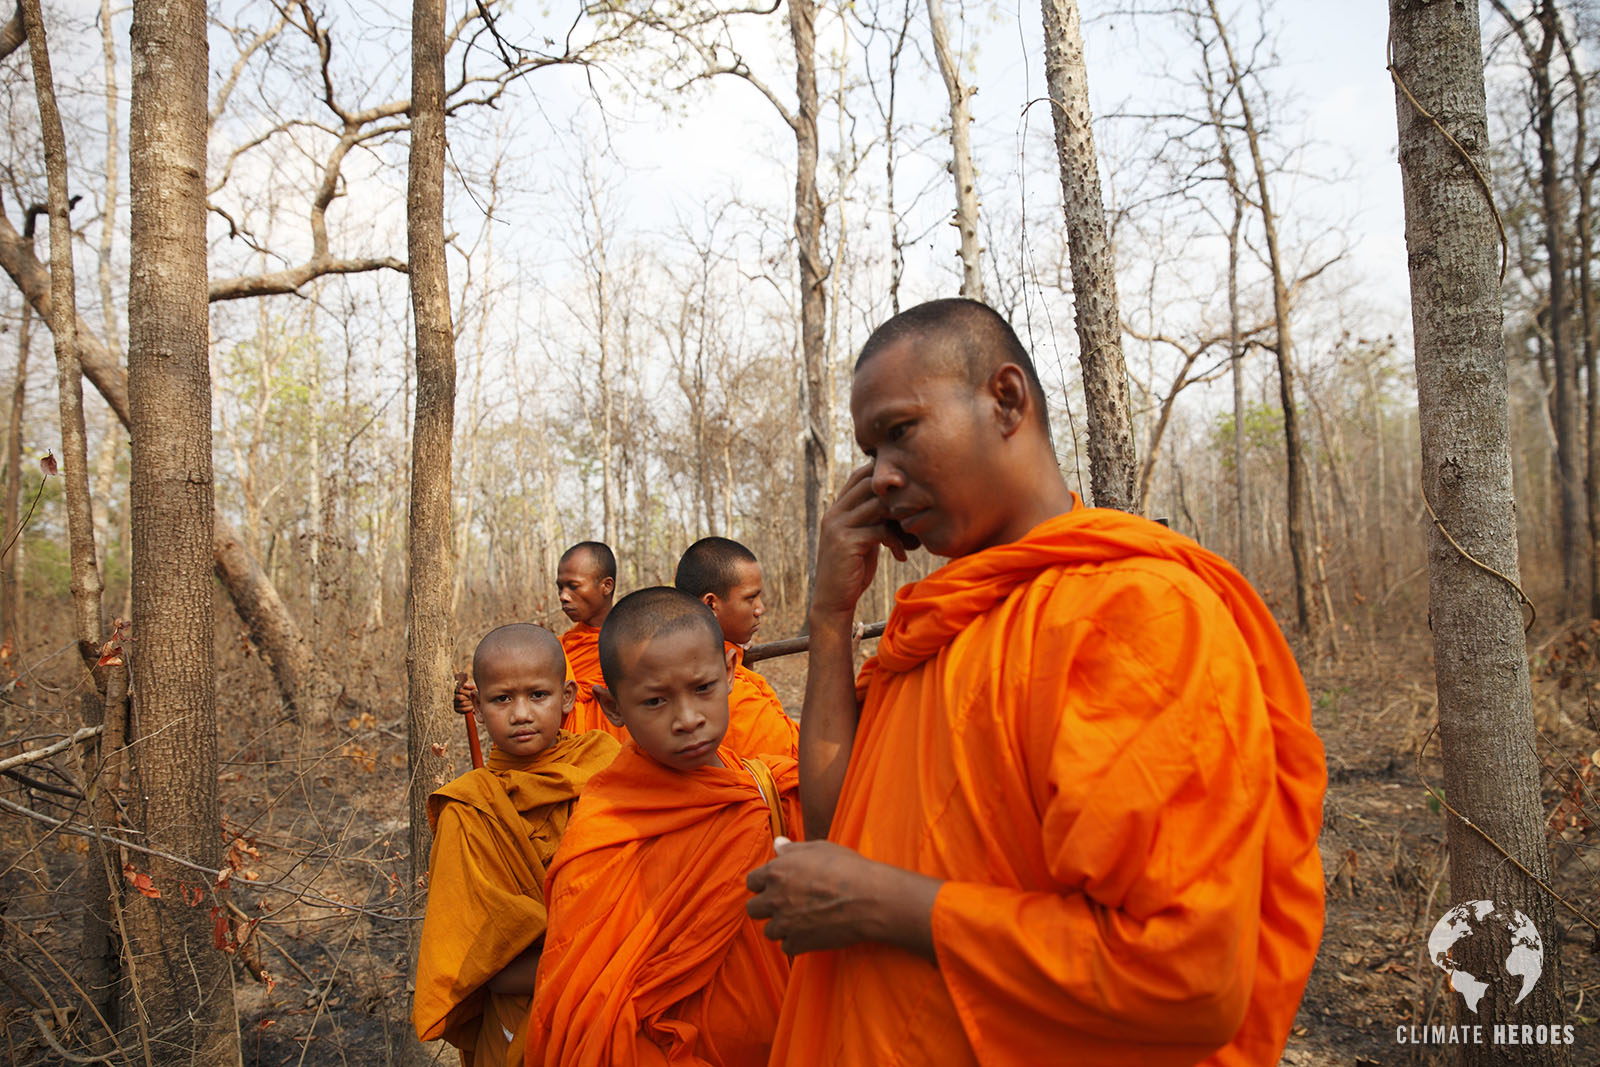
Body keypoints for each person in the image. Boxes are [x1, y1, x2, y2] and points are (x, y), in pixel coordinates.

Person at [745, 298, 1327, 1066]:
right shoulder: (944, 623)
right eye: (869, 450)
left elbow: (1184, 972)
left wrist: (883, 905)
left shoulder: (1133, 613)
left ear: (1006, 399)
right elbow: (837, 826)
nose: (880, 478)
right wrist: (829, 616)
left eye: (900, 431)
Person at [526, 588, 801, 1067]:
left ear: (731, 674)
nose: (688, 719)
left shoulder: (771, 791)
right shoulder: (606, 830)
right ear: (612, 707)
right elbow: (587, 1012)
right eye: (655, 702)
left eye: (703, 689)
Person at [413, 624, 621, 1067]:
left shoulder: (606, 767)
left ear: (567, 697)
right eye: (502, 699)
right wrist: (602, 959)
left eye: (538, 696)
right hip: (523, 1028)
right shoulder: (468, 811)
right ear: (479, 707)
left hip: (619, 1013)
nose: (521, 713)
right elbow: (483, 965)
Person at [674, 536, 800, 759]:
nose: (760, 609)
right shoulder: (722, 687)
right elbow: (801, 762)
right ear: (711, 604)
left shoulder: (689, 656)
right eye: (750, 598)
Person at [554, 541, 626, 739]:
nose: (563, 596)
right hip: (568, 759)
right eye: (560, 588)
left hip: (625, 755)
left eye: (573, 586)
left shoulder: (634, 643)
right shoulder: (559, 648)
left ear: (606, 586)